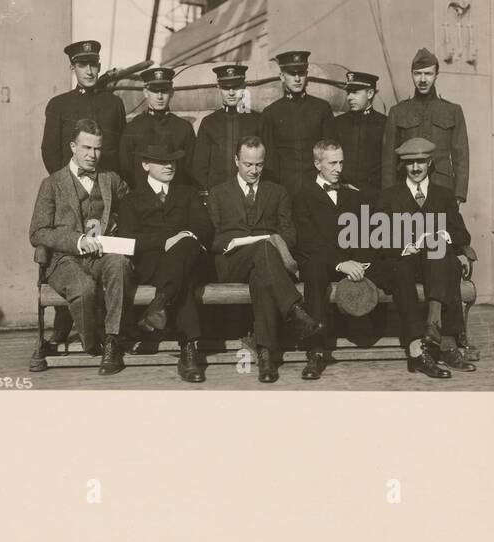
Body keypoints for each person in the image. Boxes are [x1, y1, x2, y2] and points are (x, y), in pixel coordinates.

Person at [293, 140, 445, 381]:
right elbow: (307, 242)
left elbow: (368, 232)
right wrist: (340, 264)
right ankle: (316, 351)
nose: (338, 169)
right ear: (317, 163)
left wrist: (362, 261)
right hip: (326, 264)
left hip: (358, 262)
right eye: (332, 163)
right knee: (312, 270)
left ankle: (416, 350)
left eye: (341, 162)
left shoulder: (354, 195)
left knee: (402, 268)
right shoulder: (302, 196)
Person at [207, 136, 323, 383]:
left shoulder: (277, 192)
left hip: (268, 264)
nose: (254, 170)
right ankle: (294, 310)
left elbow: (290, 235)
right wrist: (236, 242)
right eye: (248, 164)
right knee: (263, 250)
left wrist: (268, 240)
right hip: (232, 262)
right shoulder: (218, 193)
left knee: (263, 273)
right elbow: (212, 239)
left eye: (259, 164)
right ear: (236, 160)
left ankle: (266, 355)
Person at [29, 119, 133, 375]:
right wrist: (76, 241)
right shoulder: (51, 183)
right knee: (84, 288)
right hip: (65, 259)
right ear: (73, 147)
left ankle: (112, 341)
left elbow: (133, 208)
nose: (92, 155)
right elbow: (37, 232)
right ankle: (91, 343)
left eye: (97, 149)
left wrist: (120, 232)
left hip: (102, 254)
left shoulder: (110, 179)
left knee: (119, 263)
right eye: (86, 148)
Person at [376, 137, 478, 371]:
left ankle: (436, 330)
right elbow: (377, 236)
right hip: (407, 263)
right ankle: (446, 343)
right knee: (446, 263)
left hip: (436, 262)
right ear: (403, 165)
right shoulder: (389, 196)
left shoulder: (444, 195)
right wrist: (405, 246)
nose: (416, 168)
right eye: (410, 163)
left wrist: (445, 237)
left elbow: (462, 235)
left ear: (430, 162)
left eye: (421, 161)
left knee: (440, 253)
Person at [116, 144, 212, 382]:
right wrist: (167, 240)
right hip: (151, 265)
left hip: (186, 259)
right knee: (184, 278)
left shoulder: (188, 193)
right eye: (161, 161)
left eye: (173, 161)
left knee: (187, 246)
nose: (169, 166)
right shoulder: (131, 199)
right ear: (145, 165)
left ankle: (159, 303)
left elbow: (203, 227)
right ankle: (188, 351)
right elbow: (127, 238)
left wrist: (183, 239)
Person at [381, 48, 470, 202]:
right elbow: (389, 159)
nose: (422, 80)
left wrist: (459, 194)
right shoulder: (398, 111)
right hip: (406, 188)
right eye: (417, 73)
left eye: (428, 74)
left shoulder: (453, 111)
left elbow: (461, 157)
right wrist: (389, 194)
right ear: (412, 74)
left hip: (443, 187)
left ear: (436, 75)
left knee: (440, 226)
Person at [40, 40, 128, 176]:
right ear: (72, 68)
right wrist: (66, 185)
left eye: (93, 65)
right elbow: (50, 152)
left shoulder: (114, 103)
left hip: (108, 186)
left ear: (99, 67)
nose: (89, 72)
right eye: (82, 65)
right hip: (72, 186)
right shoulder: (58, 105)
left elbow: (123, 150)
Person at [261, 50, 337, 197]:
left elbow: (332, 152)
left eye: (301, 73)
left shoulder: (322, 108)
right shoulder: (271, 113)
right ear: (282, 76)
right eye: (291, 74)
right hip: (285, 190)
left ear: (306, 75)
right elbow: (269, 159)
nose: (297, 79)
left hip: (318, 189)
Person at [118, 66, 196, 189]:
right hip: (142, 199)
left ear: (172, 92)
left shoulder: (184, 128)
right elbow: (126, 168)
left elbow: (190, 168)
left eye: (164, 91)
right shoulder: (133, 128)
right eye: (154, 91)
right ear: (145, 92)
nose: (159, 97)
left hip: (176, 198)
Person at [191, 64, 262, 193]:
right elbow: (200, 166)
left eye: (236, 87)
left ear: (244, 87)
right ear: (218, 88)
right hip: (218, 194)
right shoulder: (209, 122)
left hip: (250, 194)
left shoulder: (257, 120)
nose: (231, 93)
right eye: (225, 88)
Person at [334, 70, 386, 196]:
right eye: (348, 92)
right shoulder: (337, 123)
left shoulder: (385, 123)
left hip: (375, 195)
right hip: (343, 193)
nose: (349, 97)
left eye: (355, 92)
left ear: (370, 93)